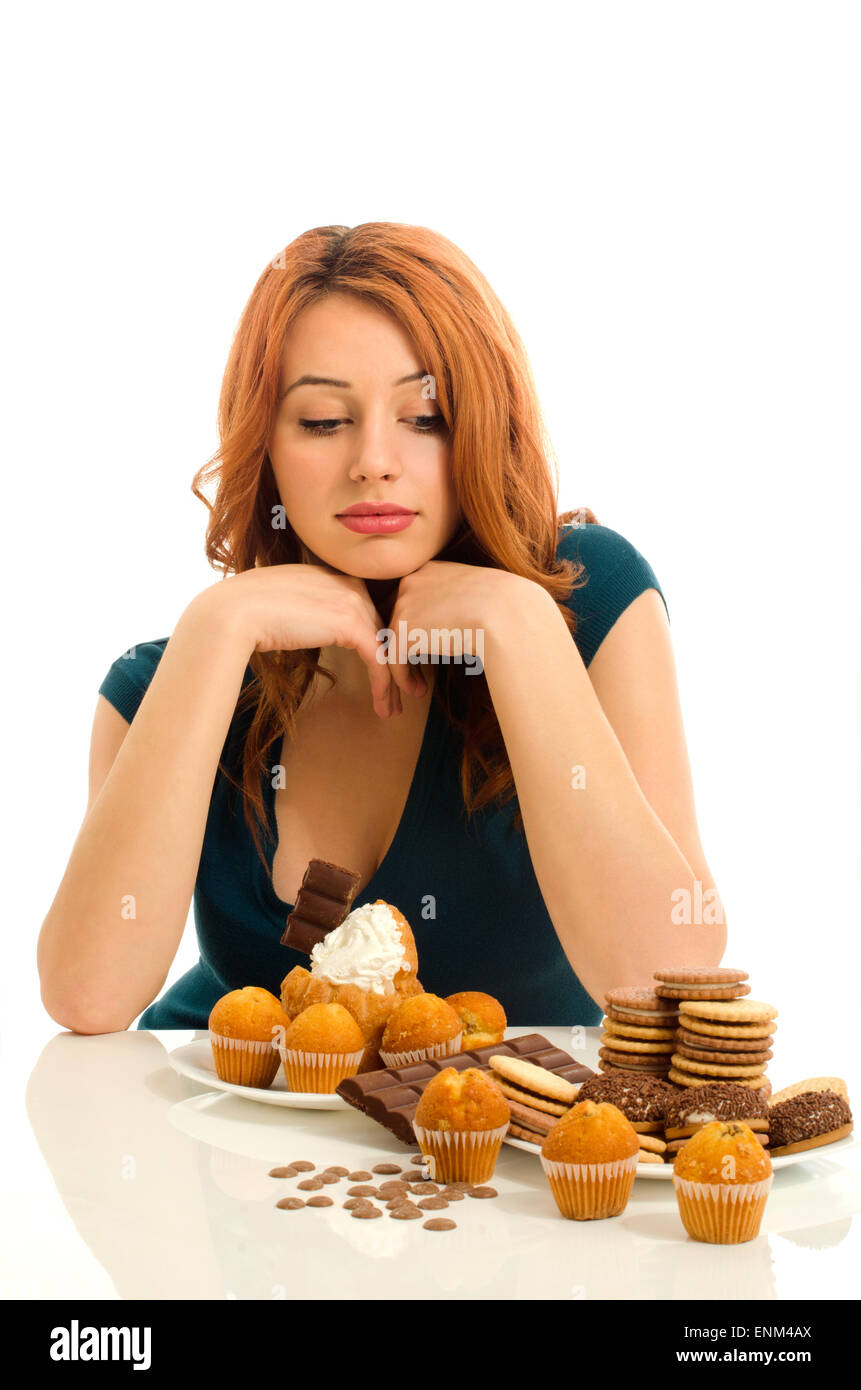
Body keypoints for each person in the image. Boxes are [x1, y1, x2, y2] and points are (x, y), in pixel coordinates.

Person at [37, 222, 726, 1035]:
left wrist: (519, 628)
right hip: (217, 1153)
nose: (373, 460)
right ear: (265, 443)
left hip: (503, 1159)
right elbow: (87, 1000)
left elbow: (667, 982)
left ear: (481, 423)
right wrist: (215, 630)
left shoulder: (586, 597)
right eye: (324, 421)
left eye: (424, 417)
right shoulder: (168, 677)